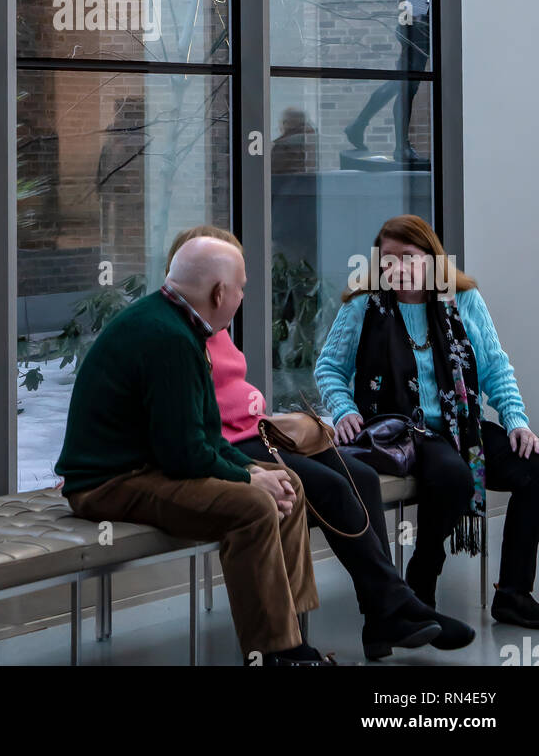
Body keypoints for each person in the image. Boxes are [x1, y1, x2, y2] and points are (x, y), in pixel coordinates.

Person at [167, 225, 472, 660]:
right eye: (236, 282)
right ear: (209, 283)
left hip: (262, 432)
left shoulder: (211, 326)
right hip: (233, 445)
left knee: (361, 476)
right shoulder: (180, 334)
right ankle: (394, 606)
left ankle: (385, 612)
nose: (241, 292)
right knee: (329, 487)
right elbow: (186, 421)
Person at [55, 235, 331, 666]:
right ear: (219, 293)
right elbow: (183, 456)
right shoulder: (169, 340)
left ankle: (292, 632)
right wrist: (248, 478)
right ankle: (275, 653)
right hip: (109, 484)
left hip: (147, 469)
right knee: (254, 505)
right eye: (240, 287)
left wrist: (256, 470)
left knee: (286, 482)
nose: (242, 296)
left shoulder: (179, 326)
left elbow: (206, 435)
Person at [315, 214, 539, 627]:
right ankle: (420, 582)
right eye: (388, 259)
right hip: (401, 430)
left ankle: (513, 593)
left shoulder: (463, 298)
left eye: (408, 256)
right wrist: (344, 409)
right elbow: (329, 366)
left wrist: (516, 421)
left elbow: (495, 366)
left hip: (462, 424)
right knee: (453, 476)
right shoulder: (363, 304)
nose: (397, 268)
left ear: (431, 258)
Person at [327, 0, 429, 164]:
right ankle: (400, 148)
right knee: (407, 86)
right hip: (414, 25)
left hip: (423, 26)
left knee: (401, 85)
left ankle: (359, 125)